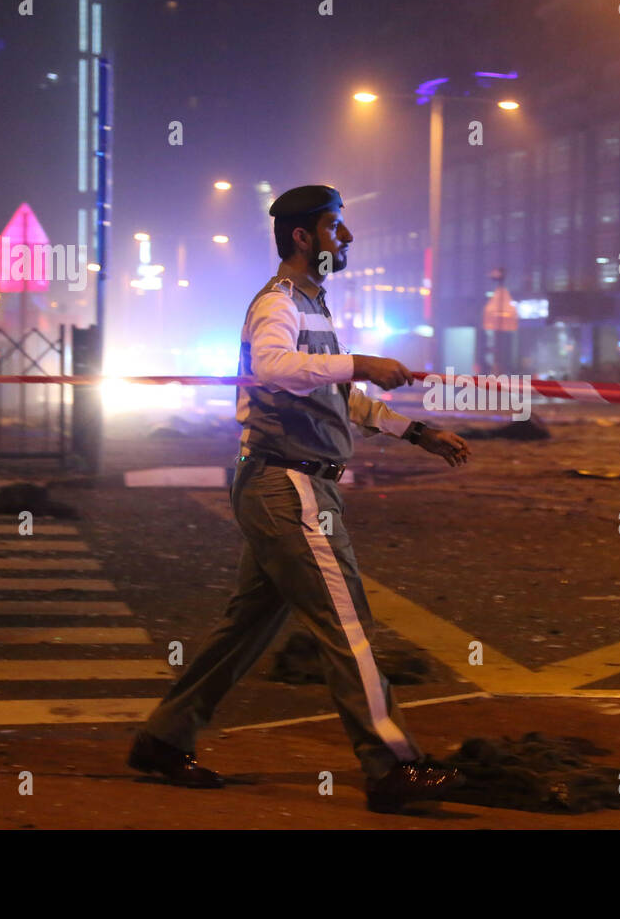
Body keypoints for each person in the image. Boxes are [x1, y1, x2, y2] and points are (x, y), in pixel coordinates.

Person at [129, 184, 473, 812]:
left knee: (246, 628)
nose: (344, 239)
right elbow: (275, 369)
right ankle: (393, 766)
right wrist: (359, 362)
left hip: (288, 483)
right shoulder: (277, 305)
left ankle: (163, 737)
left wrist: (417, 431)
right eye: (334, 228)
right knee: (347, 626)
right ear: (301, 237)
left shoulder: (314, 305)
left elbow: (333, 395)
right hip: (287, 485)